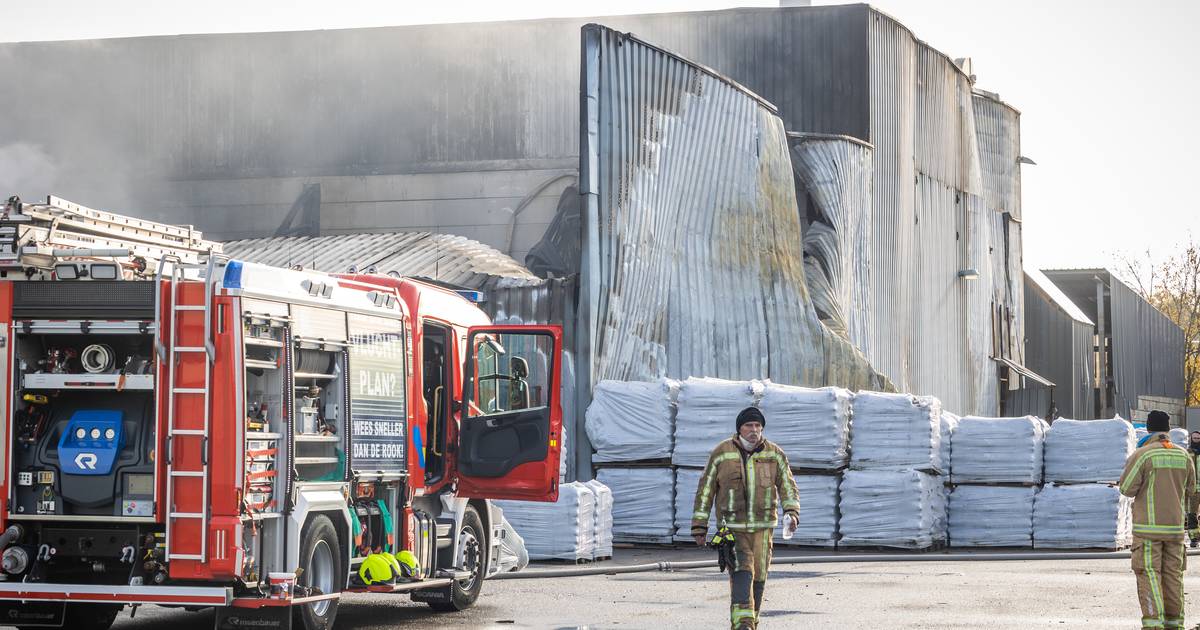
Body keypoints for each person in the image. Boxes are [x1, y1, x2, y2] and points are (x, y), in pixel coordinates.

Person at [691, 407, 800, 630]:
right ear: (739, 429)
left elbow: (787, 485)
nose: (754, 430)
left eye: (758, 426)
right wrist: (699, 527)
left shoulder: (774, 454)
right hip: (732, 529)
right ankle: (743, 624)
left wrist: (792, 512)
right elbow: (705, 490)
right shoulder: (722, 453)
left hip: (763, 529)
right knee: (743, 573)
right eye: (749, 426)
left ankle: (750, 622)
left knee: (759, 577)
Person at [1119, 410, 1198, 630]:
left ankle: (1154, 624)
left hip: (1147, 531)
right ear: (1168, 429)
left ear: (1149, 428)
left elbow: (1126, 489)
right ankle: (1175, 624)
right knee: (1173, 576)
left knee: (1149, 573)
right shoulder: (1183, 455)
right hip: (1174, 531)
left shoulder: (1143, 455)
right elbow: (1192, 489)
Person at [1190, 431, 1200, 548]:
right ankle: (1194, 538)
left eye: (1198, 438)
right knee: (1192, 514)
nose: (1197, 440)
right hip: (1192, 489)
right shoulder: (1187, 452)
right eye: (1195, 438)